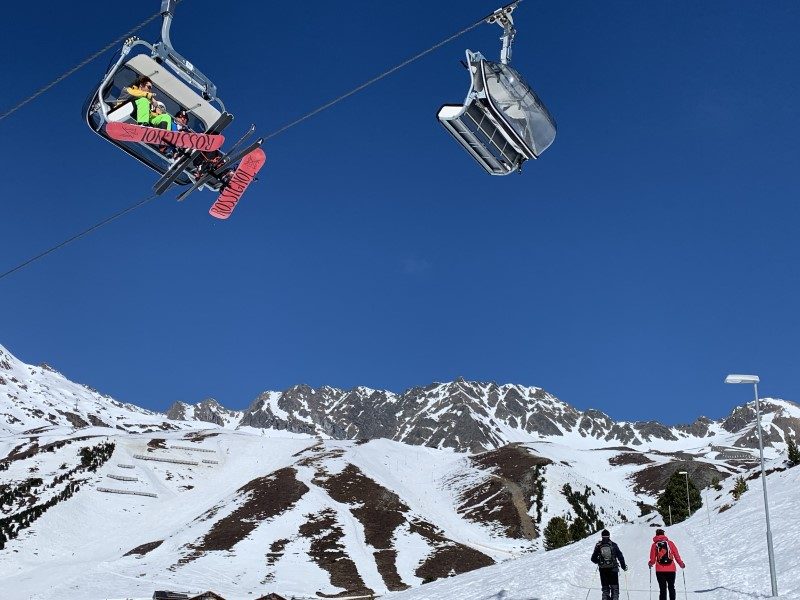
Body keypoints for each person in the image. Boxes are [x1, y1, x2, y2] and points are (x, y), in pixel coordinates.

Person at [648, 528, 685, 600]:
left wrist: (650, 563)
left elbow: (652, 559)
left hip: (660, 570)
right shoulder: (670, 543)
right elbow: (676, 555)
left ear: (656, 535)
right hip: (671, 569)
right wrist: (681, 564)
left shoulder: (654, 545)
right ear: (664, 534)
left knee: (662, 589)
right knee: (671, 587)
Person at [591, 529, 627, 600]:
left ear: (602, 536)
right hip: (613, 569)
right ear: (609, 536)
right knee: (615, 589)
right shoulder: (613, 545)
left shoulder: (599, 546)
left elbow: (593, 559)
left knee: (605, 590)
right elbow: (620, 556)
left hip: (603, 571)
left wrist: (599, 562)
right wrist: (623, 566)